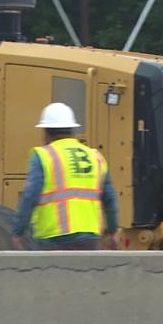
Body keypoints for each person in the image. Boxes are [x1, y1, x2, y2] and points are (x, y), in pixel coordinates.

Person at [11, 102, 118, 250]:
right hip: (90, 237)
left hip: (53, 237)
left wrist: (18, 231)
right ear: (72, 130)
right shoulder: (95, 156)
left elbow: (30, 196)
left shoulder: (44, 156)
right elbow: (110, 198)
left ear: (46, 132)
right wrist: (112, 231)